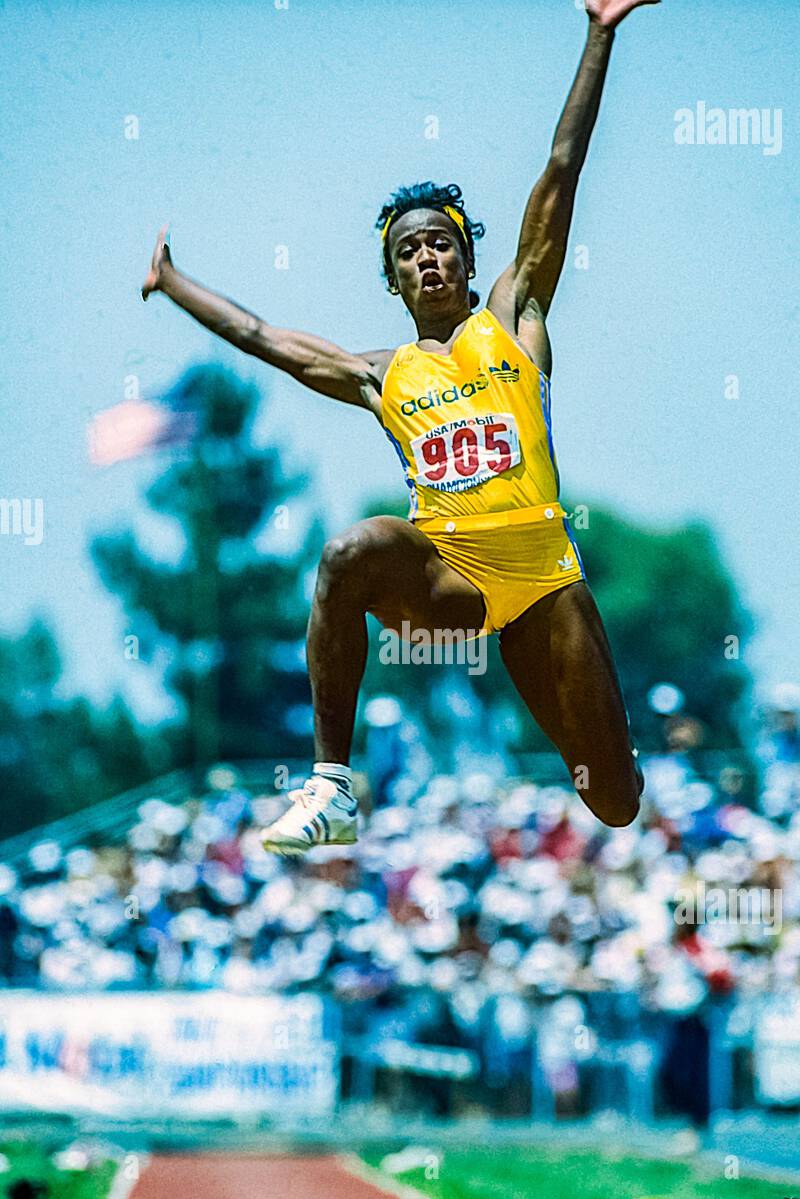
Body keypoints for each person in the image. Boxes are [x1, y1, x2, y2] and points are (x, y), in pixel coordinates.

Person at [142, 0, 659, 855]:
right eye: (408, 252)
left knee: (613, 803)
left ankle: (616, 751)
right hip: (449, 581)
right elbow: (264, 338)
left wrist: (600, 31)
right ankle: (332, 785)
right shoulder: (382, 374)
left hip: (544, 585)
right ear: (393, 279)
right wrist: (174, 280)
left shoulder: (515, 316)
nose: (426, 257)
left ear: (465, 256)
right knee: (349, 553)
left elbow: (560, 170)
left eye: (440, 244)